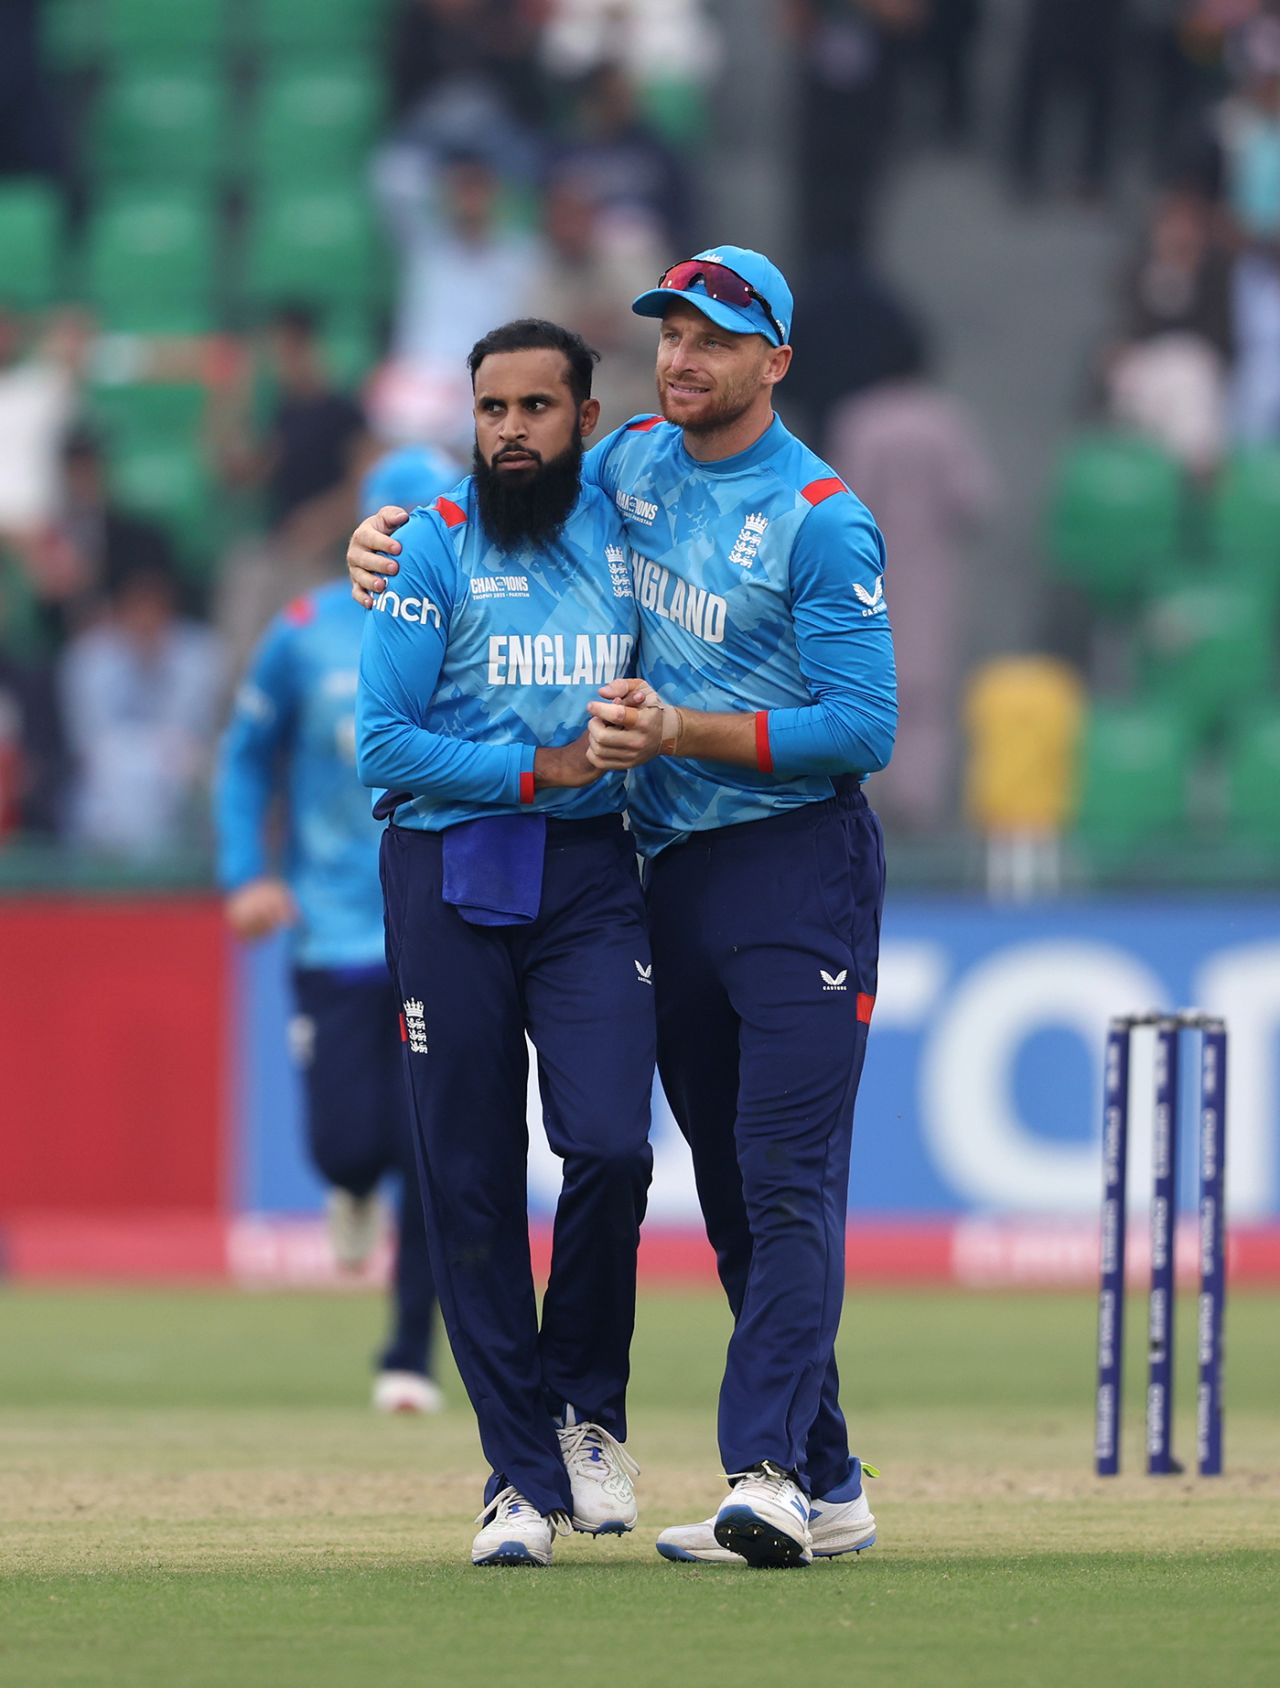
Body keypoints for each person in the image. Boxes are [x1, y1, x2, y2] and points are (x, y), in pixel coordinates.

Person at [348, 248, 897, 1570]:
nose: (683, 356)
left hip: (794, 867)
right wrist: (387, 532)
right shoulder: (634, 464)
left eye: (717, 336)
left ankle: (761, 1469)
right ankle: (826, 1481)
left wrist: (684, 729)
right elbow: (502, 487)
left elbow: (865, 725)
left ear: (776, 359)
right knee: (725, 1191)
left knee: (767, 1178)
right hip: (670, 873)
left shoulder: (822, 515)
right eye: (669, 332)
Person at [355, 319, 656, 1568]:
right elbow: (383, 739)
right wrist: (536, 766)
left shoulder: (635, 534)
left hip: (592, 875)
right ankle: (516, 1479)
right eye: (492, 409)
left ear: (585, 417)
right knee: (470, 1179)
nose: (512, 430)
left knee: (610, 1146)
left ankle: (583, 1407)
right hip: (450, 867)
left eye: (538, 407)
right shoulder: (428, 541)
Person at [213, 449, 458, 1417]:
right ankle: (348, 1186)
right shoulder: (306, 633)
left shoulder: (476, 624)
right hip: (332, 932)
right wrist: (246, 873)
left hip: (439, 926)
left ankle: (407, 1353)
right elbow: (244, 760)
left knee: (434, 1151)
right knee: (348, 1146)